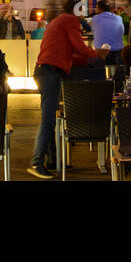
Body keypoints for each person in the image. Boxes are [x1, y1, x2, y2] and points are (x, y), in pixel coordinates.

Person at [27, 11, 109, 179]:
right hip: (50, 73)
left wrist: (90, 60)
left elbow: (71, 56)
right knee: (48, 120)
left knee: (50, 119)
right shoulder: (70, 20)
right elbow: (79, 47)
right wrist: (96, 54)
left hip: (46, 71)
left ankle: (52, 161)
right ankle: (36, 162)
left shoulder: (59, 21)